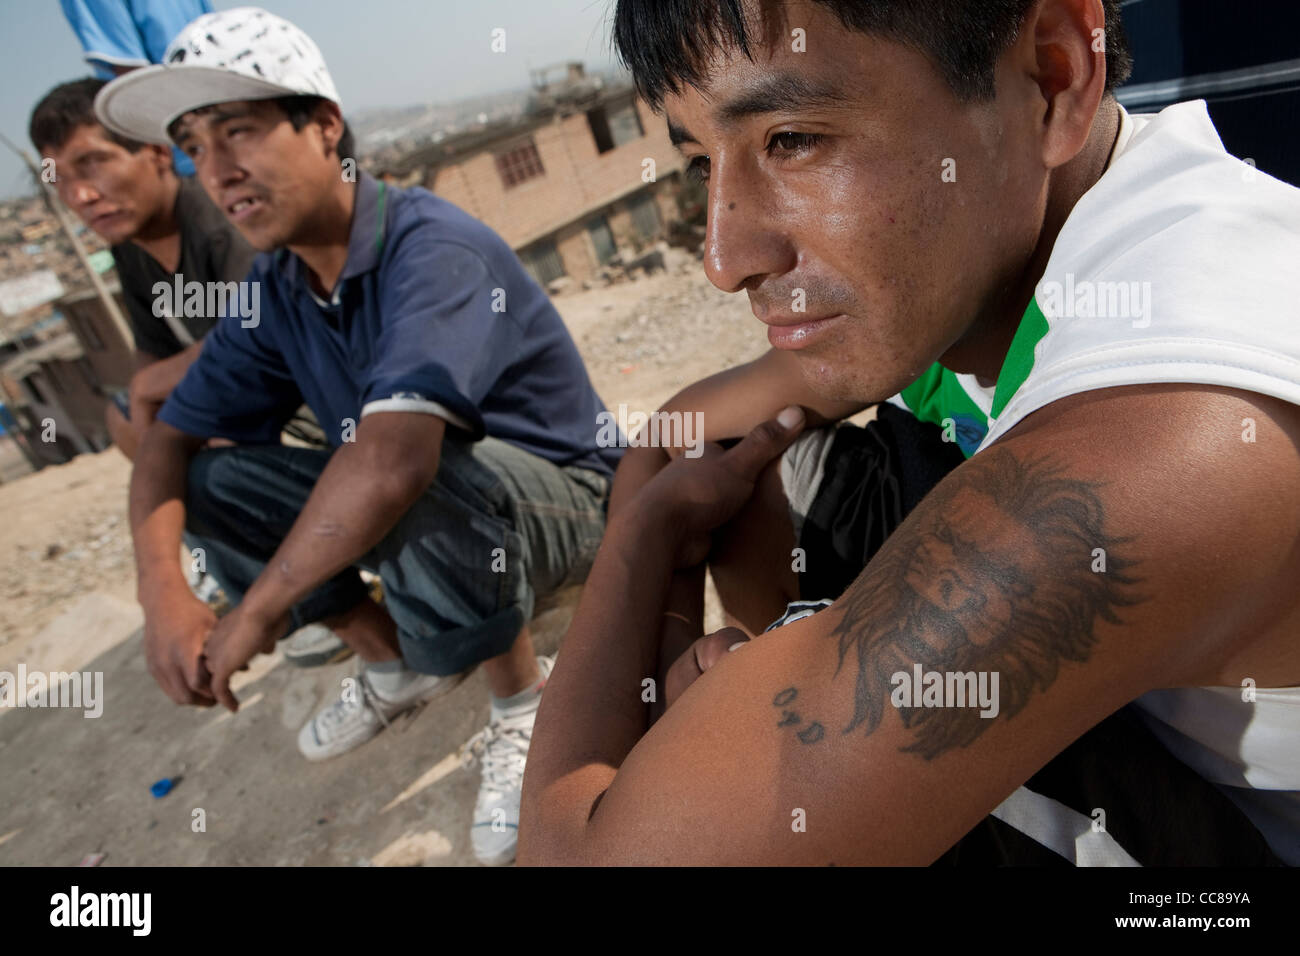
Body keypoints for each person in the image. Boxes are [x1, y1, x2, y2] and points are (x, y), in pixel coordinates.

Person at [519, 0, 1300, 865]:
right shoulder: (1014, 245)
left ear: (1052, 77)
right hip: (1151, 754)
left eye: (791, 141)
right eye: (703, 163)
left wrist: (640, 554)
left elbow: (574, 859)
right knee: (768, 471)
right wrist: (658, 539)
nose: (724, 257)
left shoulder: (1174, 429)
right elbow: (679, 437)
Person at [98, 6, 620, 865]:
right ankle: (394, 663)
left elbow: (393, 464)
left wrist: (250, 618)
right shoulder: (279, 285)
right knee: (215, 483)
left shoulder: (431, 247)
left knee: (402, 459)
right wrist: (164, 593)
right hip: (453, 504)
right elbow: (167, 441)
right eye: (196, 144)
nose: (218, 170)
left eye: (240, 131)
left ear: (325, 125)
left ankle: (523, 701)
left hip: (577, 510)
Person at [30, 77, 253, 461]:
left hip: (289, 404)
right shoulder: (130, 251)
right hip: (224, 399)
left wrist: (152, 386)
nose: (81, 195)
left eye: (94, 164)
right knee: (125, 418)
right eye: (59, 179)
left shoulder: (220, 223)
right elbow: (153, 351)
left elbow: (257, 341)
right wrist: (150, 406)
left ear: (156, 152)